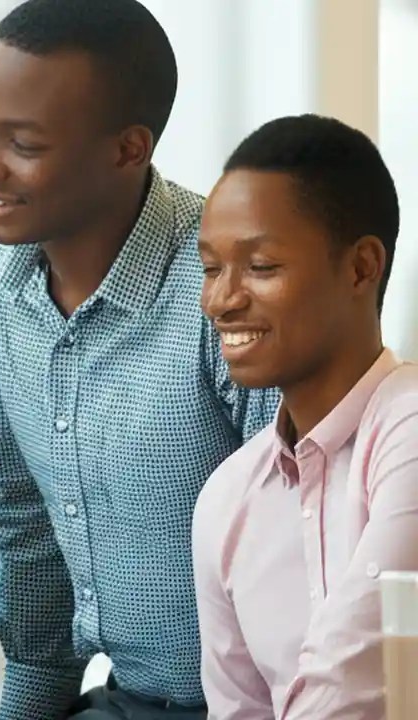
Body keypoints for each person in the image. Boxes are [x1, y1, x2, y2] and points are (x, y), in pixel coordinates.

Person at [0, 0, 282, 717]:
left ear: (128, 149)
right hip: (125, 701)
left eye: (24, 144)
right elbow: (24, 523)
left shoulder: (230, 292)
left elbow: (300, 562)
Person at [192, 114, 416, 719]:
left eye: (261, 267)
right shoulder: (227, 499)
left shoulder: (409, 426)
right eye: (211, 268)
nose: (222, 299)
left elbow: (352, 679)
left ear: (361, 267)